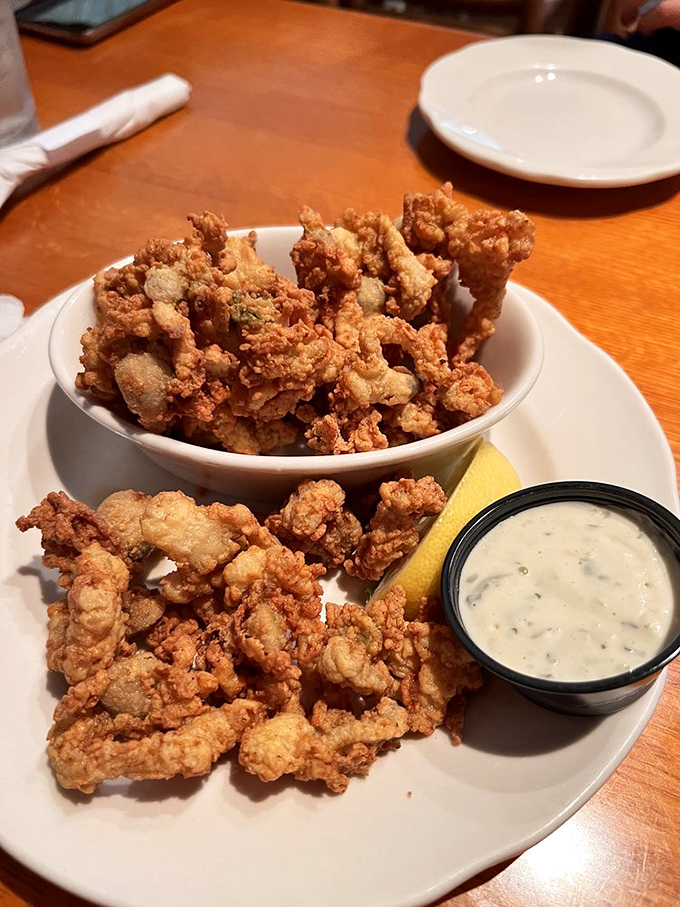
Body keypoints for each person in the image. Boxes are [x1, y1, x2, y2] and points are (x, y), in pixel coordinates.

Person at [603, 0, 680, 65]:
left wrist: (643, 26)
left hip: (663, 45)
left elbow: (666, 12)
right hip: (646, 39)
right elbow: (626, 18)